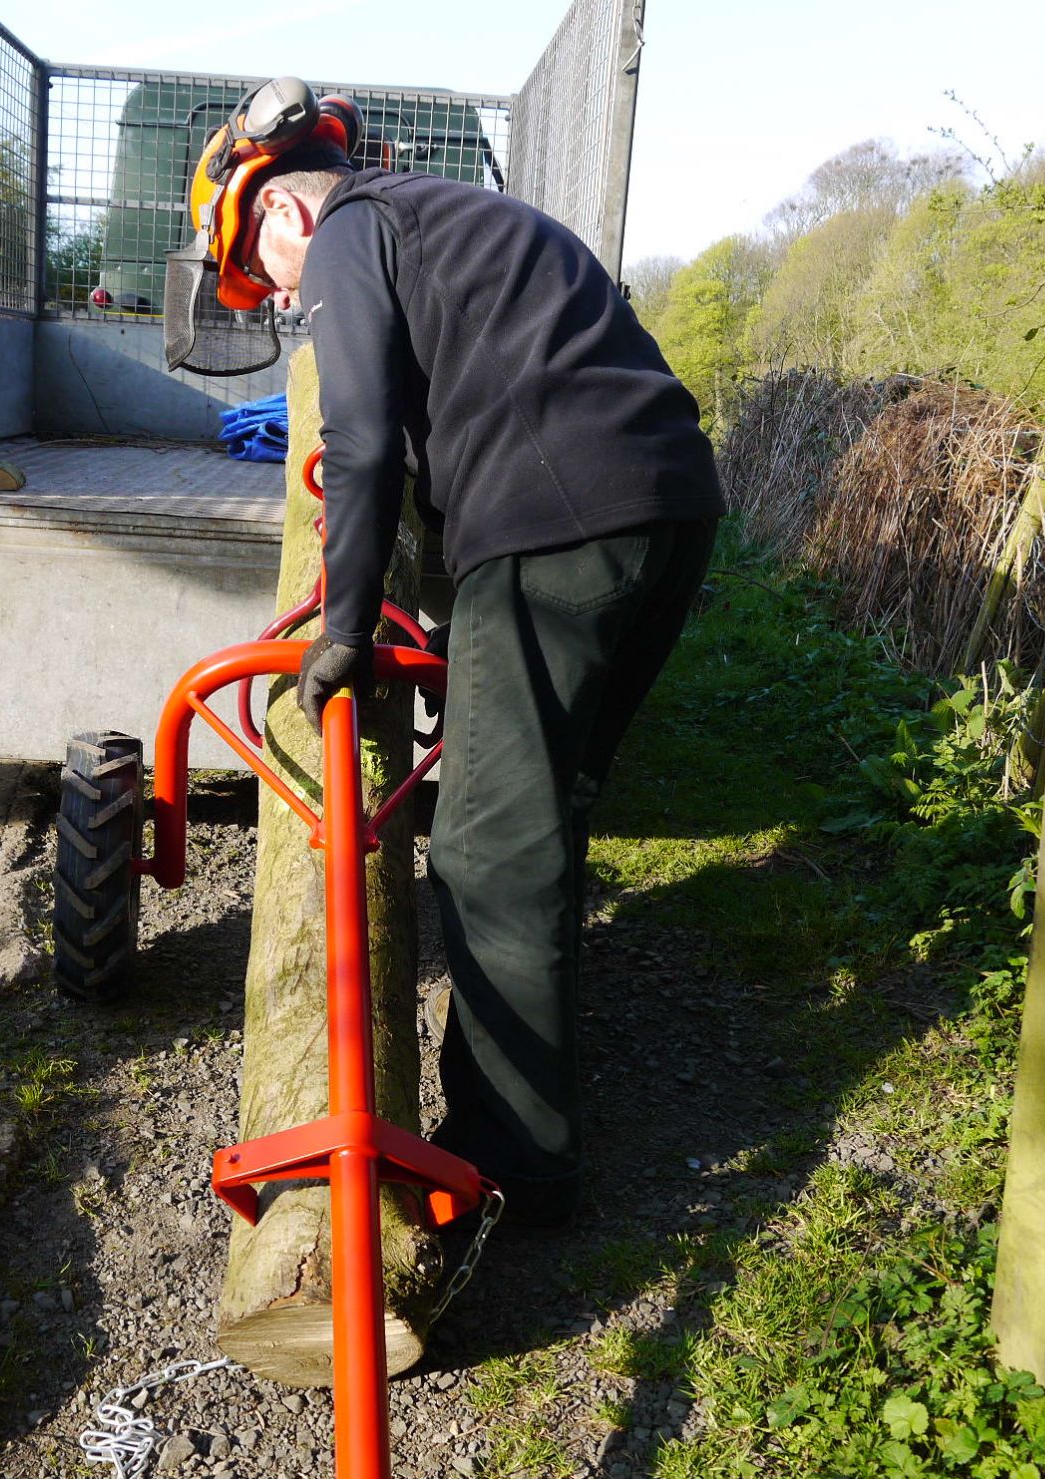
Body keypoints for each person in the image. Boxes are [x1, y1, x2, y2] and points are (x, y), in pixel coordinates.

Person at [188, 79, 724, 1226]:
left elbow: (366, 437)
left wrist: (342, 630)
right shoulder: (449, 220)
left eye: (270, 285)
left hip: (560, 525)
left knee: (485, 853)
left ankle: (513, 1165)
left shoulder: (347, 233)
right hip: (667, 509)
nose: (288, 303)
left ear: (278, 214)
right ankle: (531, 1084)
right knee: (548, 808)